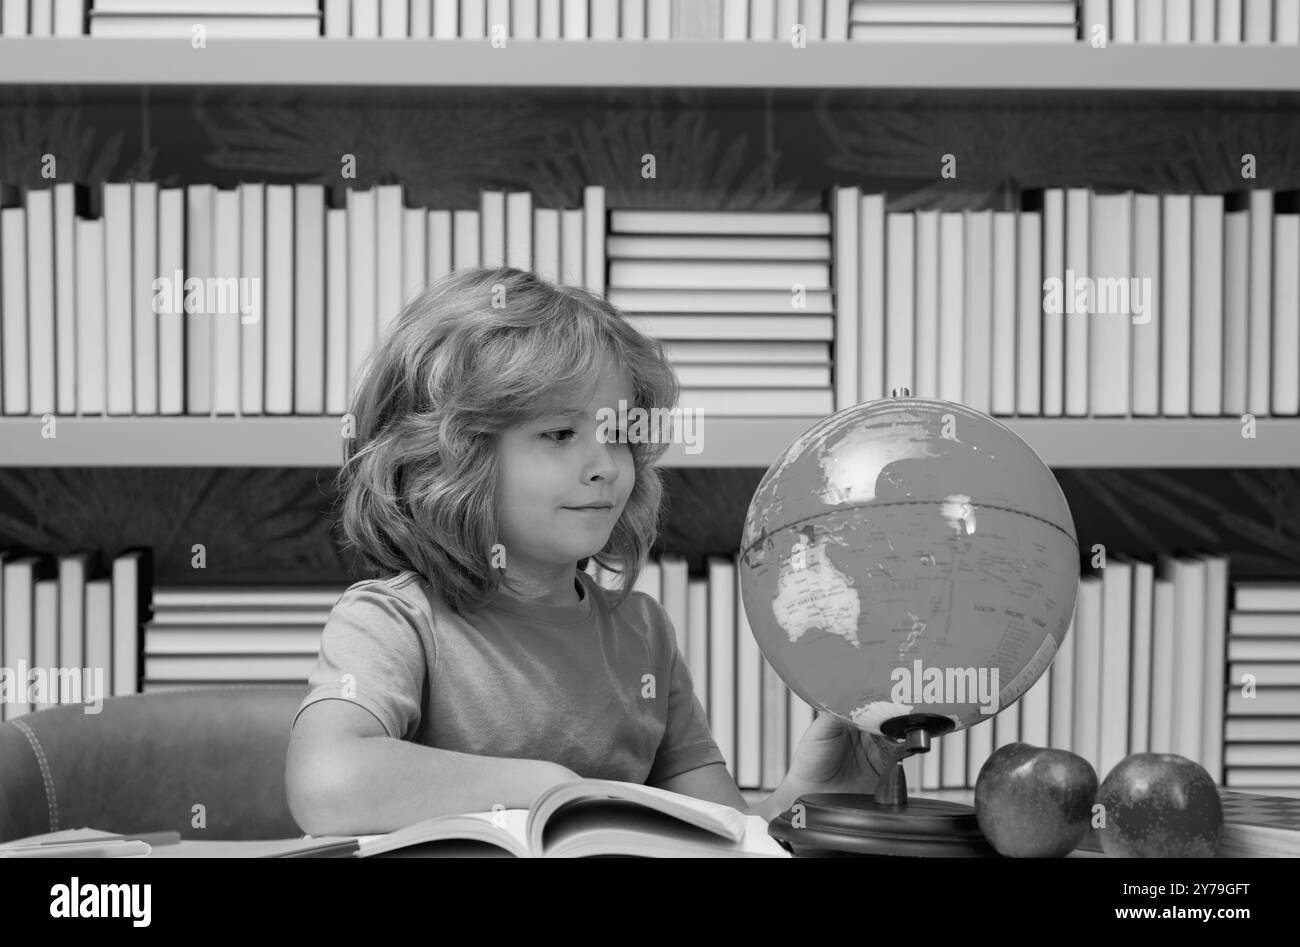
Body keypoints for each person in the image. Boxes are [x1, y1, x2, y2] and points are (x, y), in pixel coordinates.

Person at [285, 266, 902, 837]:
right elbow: (326, 782)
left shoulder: (644, 634)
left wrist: (803, 803)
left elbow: (717, 834)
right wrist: (546, 788)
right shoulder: (393, 622)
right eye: (559, 434)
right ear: (448, 460)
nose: (605, 467)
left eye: (619, 433)